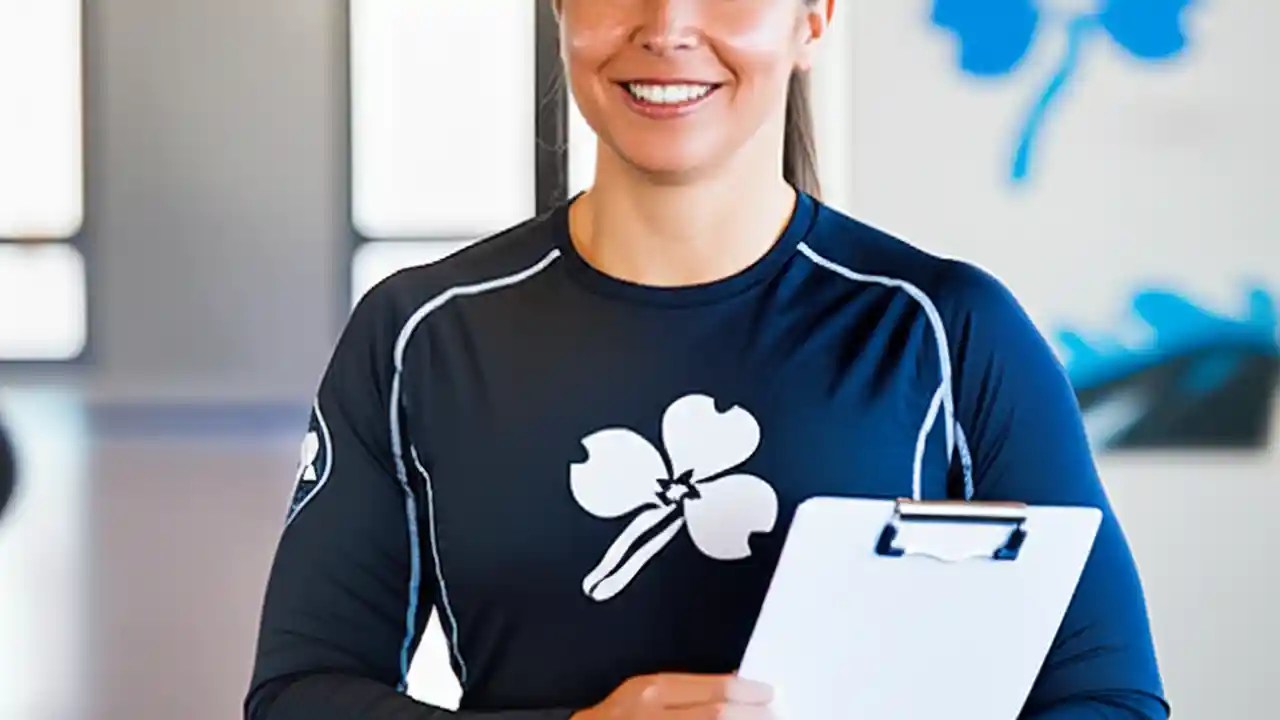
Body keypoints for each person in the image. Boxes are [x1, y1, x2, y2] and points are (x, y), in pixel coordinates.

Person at [245, 1, 1168, 718]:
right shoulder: (419, 334)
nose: (668, 26)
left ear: (814, 19)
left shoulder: (946, 332)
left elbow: (1110, 694)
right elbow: (300, 694)